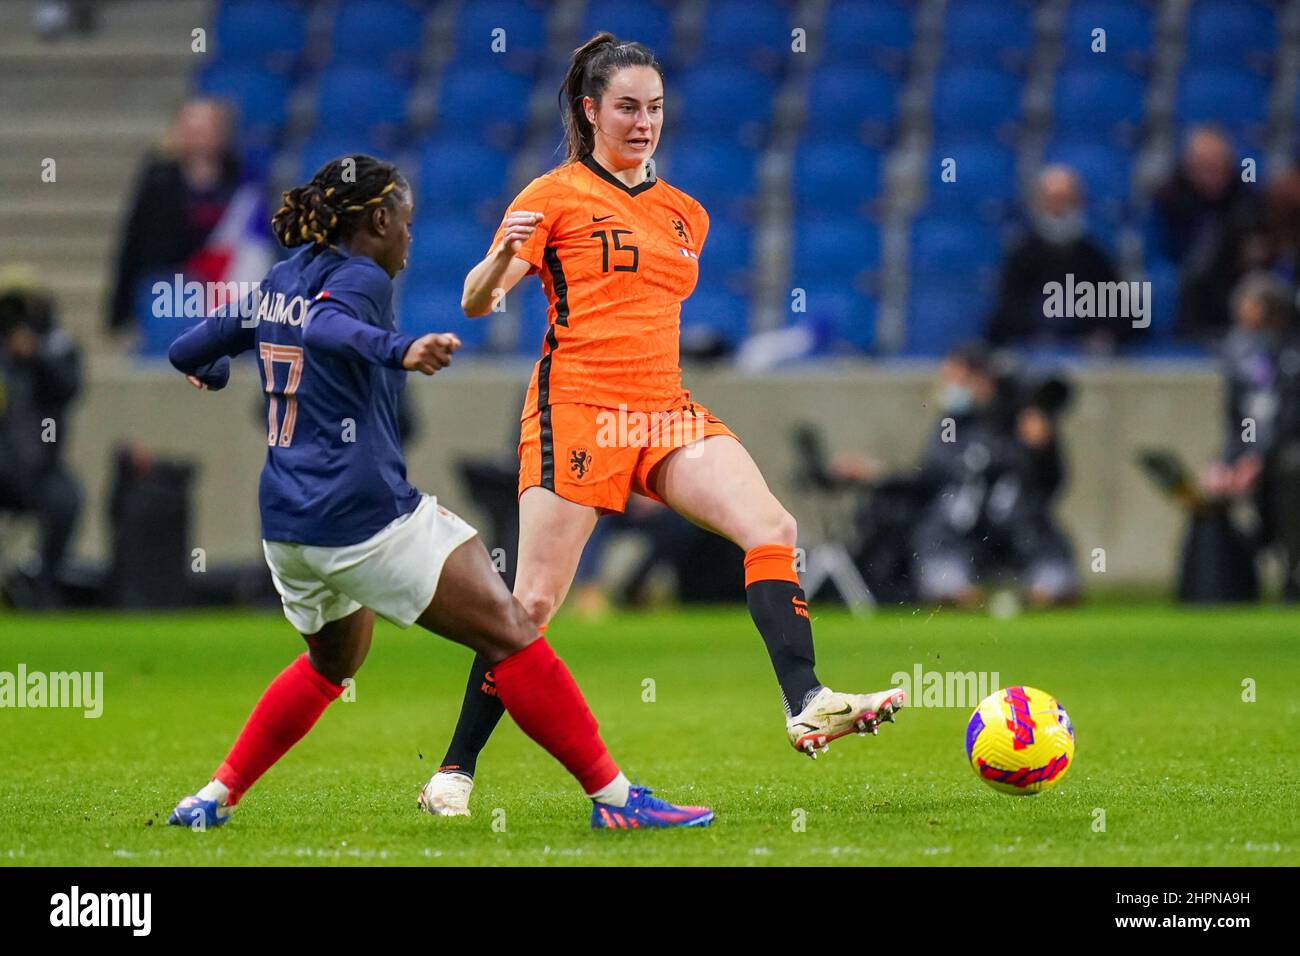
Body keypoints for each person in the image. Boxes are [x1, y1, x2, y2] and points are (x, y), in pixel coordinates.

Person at [421, 34, 905, 816]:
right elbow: (483, 299)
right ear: (590, 110)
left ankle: (806, 700)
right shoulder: (552, 195)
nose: (644, 122)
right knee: (533, 605)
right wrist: (488, 268)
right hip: (577, 407)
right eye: (627, 108)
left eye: (654, 108)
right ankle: (454, 770)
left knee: (771, 524)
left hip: (663, 407)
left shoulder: (687, 214)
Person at [165, 154, 713, 830]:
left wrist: (215, 369)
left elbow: (189, 348)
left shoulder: (282, 276)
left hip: (286, 525)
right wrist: (399, 350)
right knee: (513, 632)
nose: (410, 237)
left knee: (331, 663)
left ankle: (210, 799)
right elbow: (326, 327)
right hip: (359, 513)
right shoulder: (361, 278)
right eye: (406, 222)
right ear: (377, 219)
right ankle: (616, 799)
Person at [908, 347, 1078, 608]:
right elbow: (932, 475)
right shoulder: (951, 425)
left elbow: (1052, 483)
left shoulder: (1021, 419)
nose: (951, 388)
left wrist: (1042, 448)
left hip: (1022, 528)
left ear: (983, 379)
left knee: (1056, 585)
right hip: (960, 530)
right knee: (943, 584)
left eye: (959, 381)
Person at [1199, 271, 1300, 599]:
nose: (1247, 332)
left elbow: (1290, 418)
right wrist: (1227, 461)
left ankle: (1294, 570)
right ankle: (1226, 583)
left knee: (1292, 465)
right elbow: (1239, 423)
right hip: (1256, 456)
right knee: (1210, 484)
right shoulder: (1240, 359)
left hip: (1287, 454)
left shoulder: (1292, 355)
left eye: (1255, 322)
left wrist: (1258, 459)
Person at [107, 99, 246, 335]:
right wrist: (119, 311)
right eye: (191, 129)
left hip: (231, 281)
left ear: (222, 132)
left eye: (205, 129)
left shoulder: (244, 181)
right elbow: (133, 244)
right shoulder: (158, 180)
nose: (198, 137)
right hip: (171, 283)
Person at [0, 271, 83, 607]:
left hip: (40, 468)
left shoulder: (56, 347)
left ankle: (43, 587)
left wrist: (34, 356)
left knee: (66, 500)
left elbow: (69, 387)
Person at [987, 166, 1128, 351]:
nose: (1059, 209)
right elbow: (1006, 312)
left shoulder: (1094, 256)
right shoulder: (1021, 254)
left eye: (1066, 200)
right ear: (1038, 203)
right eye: (1052, 200)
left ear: (1079, 202)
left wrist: (1100, 334)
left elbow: (1118, 313)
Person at [1150, 126, 1262, 340]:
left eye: (1218, 166)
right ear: (1189, 166)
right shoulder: (1168, 198)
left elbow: (1257, 243)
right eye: (1204, 167)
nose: (1212, 175)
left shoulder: (1245, 199)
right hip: (1184, 273)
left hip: (1232, 275)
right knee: (1164, 284)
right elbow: (1156, 249)